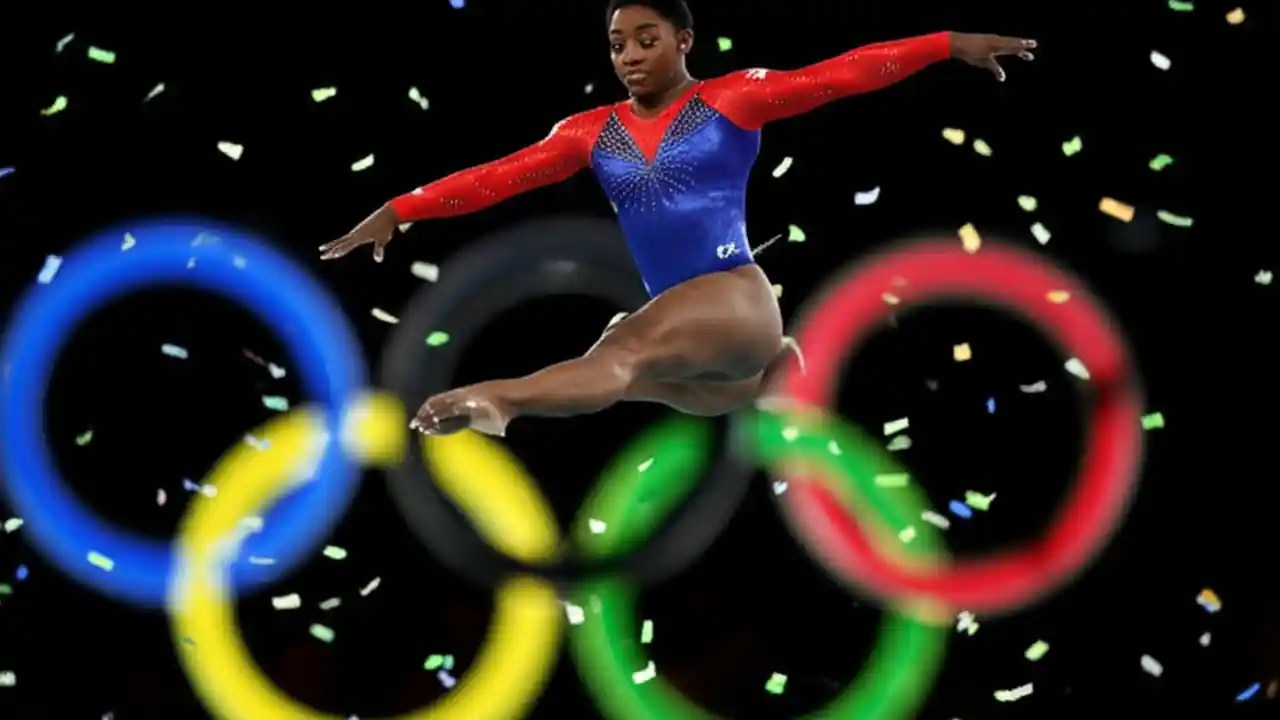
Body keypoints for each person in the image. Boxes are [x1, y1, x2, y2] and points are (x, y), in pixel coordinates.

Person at [319, 0, 1036, 436]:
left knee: (618, 353)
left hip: (734, 298)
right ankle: (769, 377)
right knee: (617, 354)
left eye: (646, 39)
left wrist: (945, 44)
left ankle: (500, 399)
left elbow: (840, 73)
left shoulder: (732, 99)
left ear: (684, 40)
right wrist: (400, 210)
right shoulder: (588, 132)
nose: (629, 55)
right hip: (708, 364)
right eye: (617, 44)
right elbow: (496, 178)